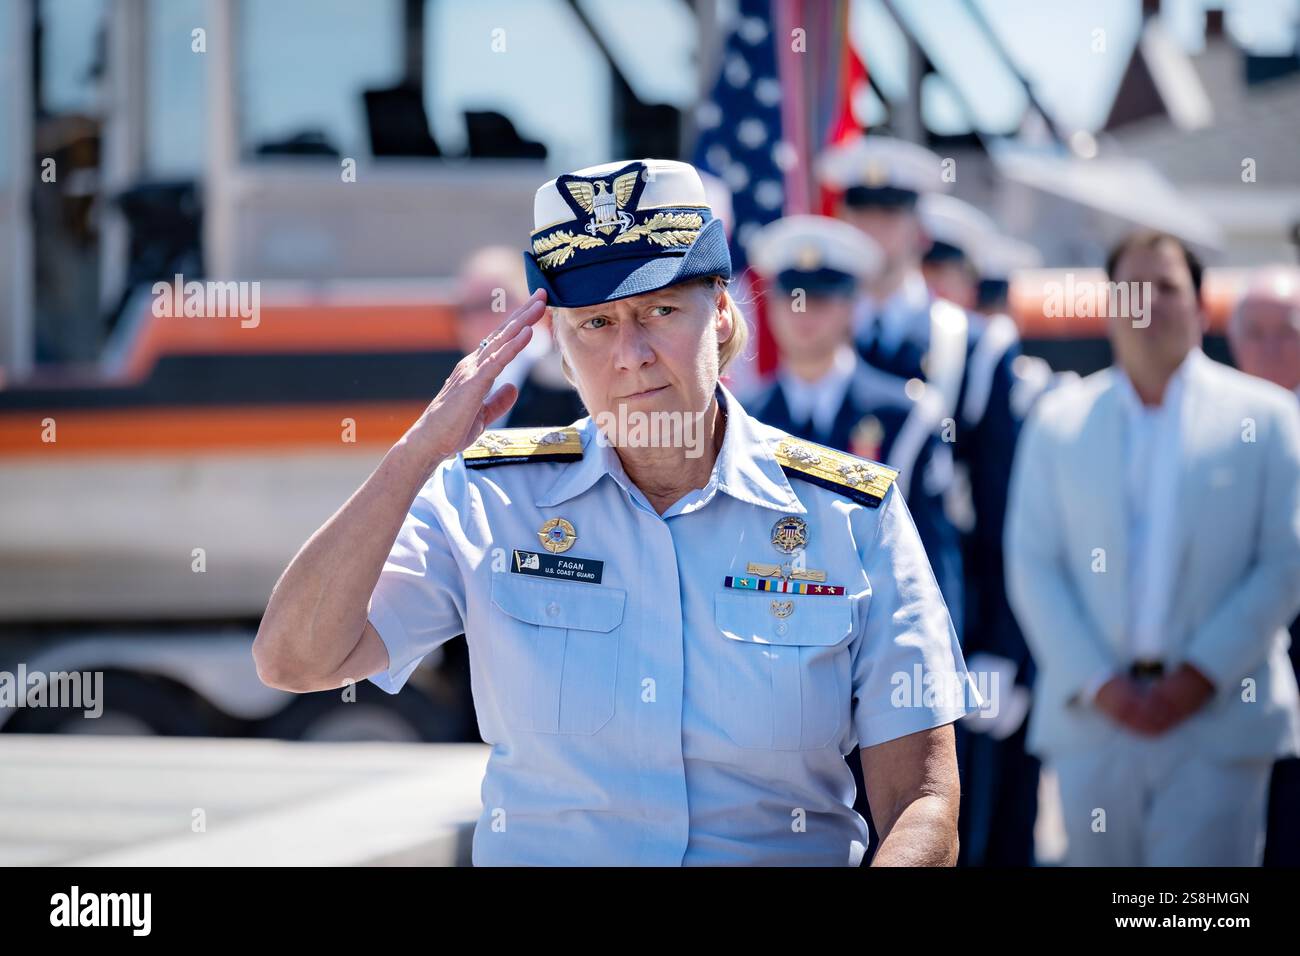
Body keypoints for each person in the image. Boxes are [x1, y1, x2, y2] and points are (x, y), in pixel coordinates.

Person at [253, 158, 980, 866]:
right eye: (594, 325)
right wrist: (417, 452)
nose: (629, 353)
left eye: (660, 310)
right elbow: (295, 658)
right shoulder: (485, 499)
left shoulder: (852, 514)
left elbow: (922, 800)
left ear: (722, 315)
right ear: (562, 356)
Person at [1005, 230, 1300, 866]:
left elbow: (1285, 561)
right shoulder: (1059, 423)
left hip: (1218, 723)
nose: (1149, 304)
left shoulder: (1269, 419)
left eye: (1167, 287)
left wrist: (1199, 676)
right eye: (1132, 288)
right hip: (1095, 725)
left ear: (1200, 304)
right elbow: (1033, 563)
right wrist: (1100, 681)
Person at [744, 212, 968, 863]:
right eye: (790, 299)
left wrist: (944, 670)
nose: (804, 315)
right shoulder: (748, 421)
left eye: (823, 298)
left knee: (907, 822)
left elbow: (932, 552)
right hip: (781, 673)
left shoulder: (906, 414)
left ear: (851, 307)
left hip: (882, 666)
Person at [1226, 268, 1300, 866]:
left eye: (1289, 331)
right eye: (1258, 331)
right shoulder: (1202, 430)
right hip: (1218, 682)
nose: (1273, 347)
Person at [456, 246, 585, 429]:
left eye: (489, 304)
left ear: (528, 300)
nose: (475, 320)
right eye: (464, 310)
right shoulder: (462, 386)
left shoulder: (567, 370)